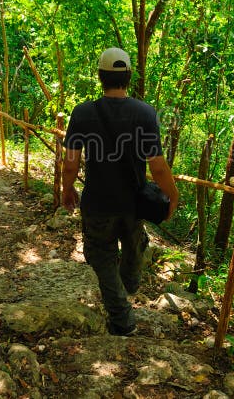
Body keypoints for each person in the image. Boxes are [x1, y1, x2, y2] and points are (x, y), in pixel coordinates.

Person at [62, 47, 179, 336]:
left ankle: (121, 314)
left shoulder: (83, 113)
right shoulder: (145, 113)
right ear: (128, 76)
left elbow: (70, 162)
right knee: (132, 244)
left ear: (100, 77)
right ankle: (125, 297)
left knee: (101, 256)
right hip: (133, 204)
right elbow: (159, 167)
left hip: (97, 203)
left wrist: (66, 189)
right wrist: (173, 196)